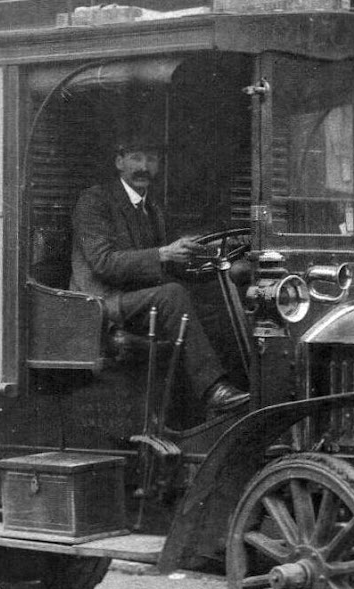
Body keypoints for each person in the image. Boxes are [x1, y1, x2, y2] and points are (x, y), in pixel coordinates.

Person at [70, 135, 249, 421]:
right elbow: (103, 263)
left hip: (135, 300)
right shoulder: (94, 201)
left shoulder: (151, 208)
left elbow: (169, 263)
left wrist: (213, 259)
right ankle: (213, 390)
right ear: (119, 162)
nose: (144, 167)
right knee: (173, 295)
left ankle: (236, 395)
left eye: (151, 159)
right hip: (99, 304)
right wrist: (164, 253)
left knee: (215, 302)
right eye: (136, 158)